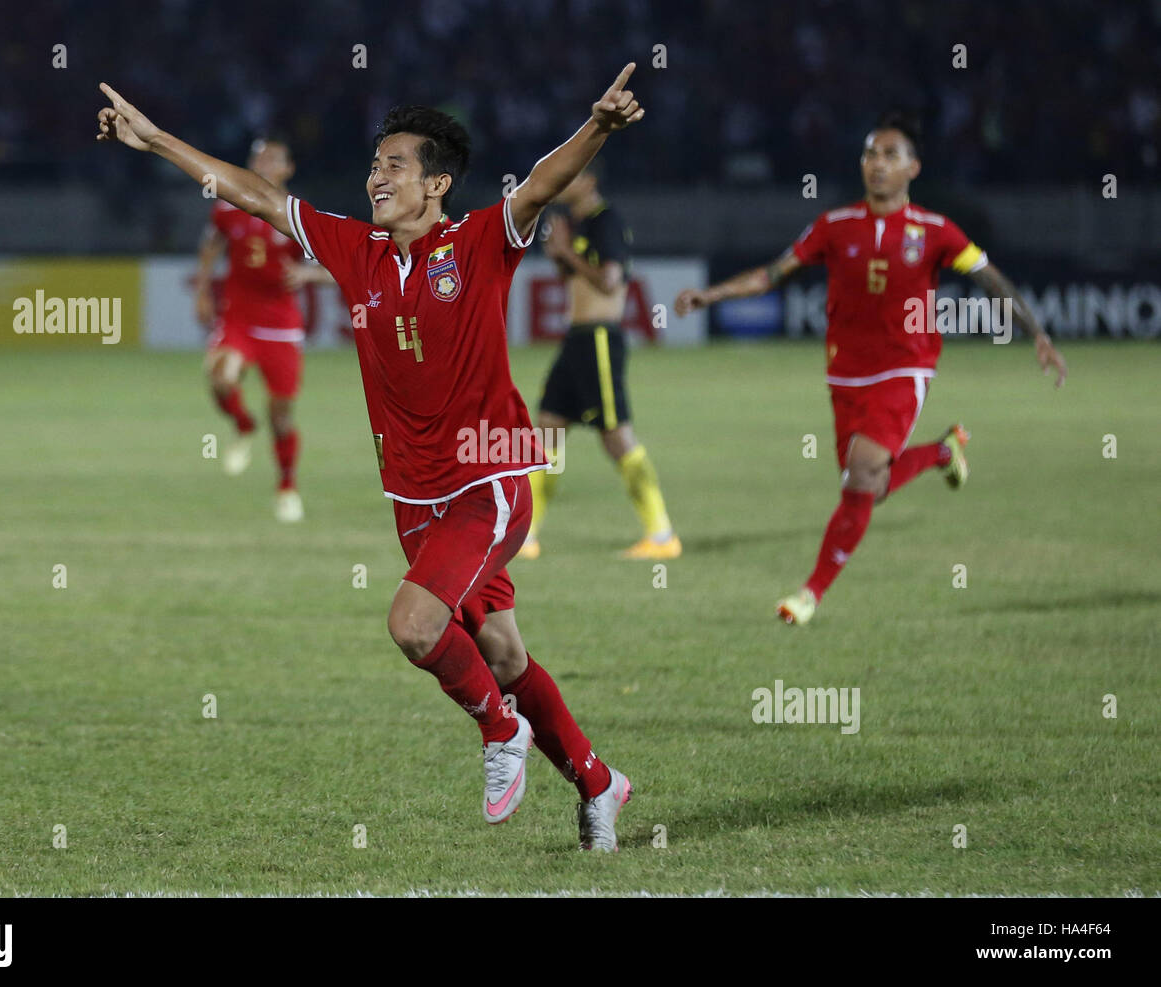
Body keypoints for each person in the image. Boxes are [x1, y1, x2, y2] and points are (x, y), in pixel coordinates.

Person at [97, 64, 646, 850]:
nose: (375, 176)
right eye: (374, 162)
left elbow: (539, 186)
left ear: (437, 184)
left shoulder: (482, 239)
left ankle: (500, 732)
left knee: (416, 625)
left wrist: (596, 126)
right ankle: (599, 783)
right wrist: (154, 141)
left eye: (395, 164)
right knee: (502, 650)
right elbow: (251, 192)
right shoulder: (354, 249)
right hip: (413, 495)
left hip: (487, 477)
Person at [676, 110, 1066, 625]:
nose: (877, 164)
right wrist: (711, 294)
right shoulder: (835, 226)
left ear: (913, 168)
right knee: (870, 487)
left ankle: (809, 593)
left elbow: (990, 278)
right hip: (845, 373)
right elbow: (772, 274)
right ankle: (941, 451)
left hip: (907, 367)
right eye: (870, 154)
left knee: (861, 474)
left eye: (890, 155)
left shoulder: (936, 231)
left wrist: (1035, 333)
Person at [518, 164, 680, 561]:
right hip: (575, 340)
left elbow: (609, 282)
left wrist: (566, 253)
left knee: (616, 436)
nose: (562, 181)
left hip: (600, 339)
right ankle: (526, 537)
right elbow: (574, 277)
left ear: (589, 182)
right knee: (548, 432)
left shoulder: (606, 221)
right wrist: (558, 254)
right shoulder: (574, 223)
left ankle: (662, 536)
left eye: (570, 175)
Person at [196, 136, 332, 522]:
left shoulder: (296, 216)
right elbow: (211, 246)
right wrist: (203, 289)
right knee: (220, 378)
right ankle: (243, 423)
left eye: (273, 159)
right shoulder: (228, 206)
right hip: (238, 317)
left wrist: (306, 273)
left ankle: (287, 486)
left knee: (282, 417)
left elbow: (338, 265)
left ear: (288, 169)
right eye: (258, 158)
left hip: (281, 327)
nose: (263, 165)